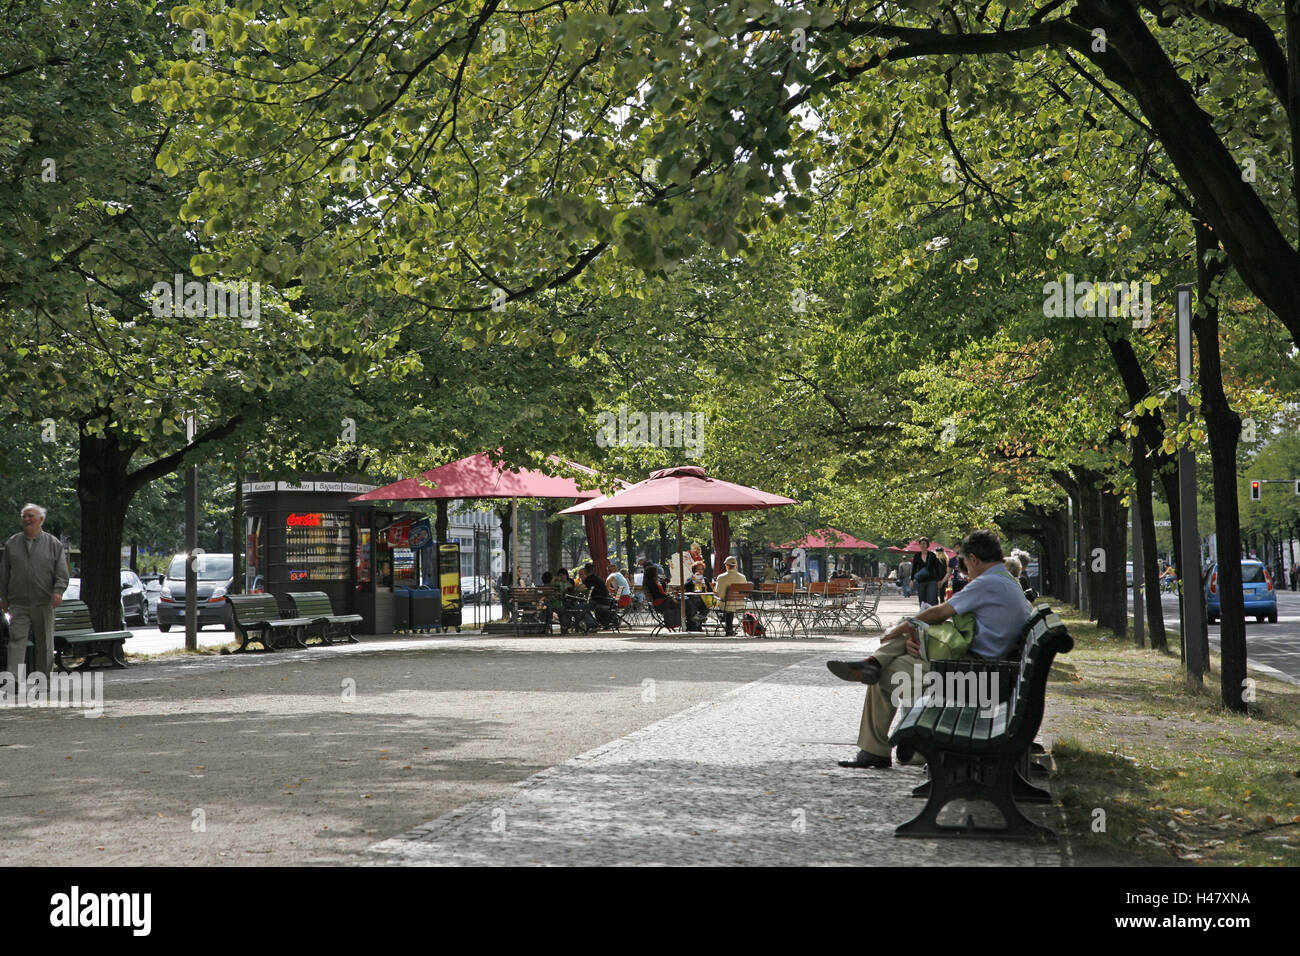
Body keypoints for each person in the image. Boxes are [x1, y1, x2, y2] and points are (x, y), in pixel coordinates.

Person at [826, 530, 1031, 769]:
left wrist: (901, 628)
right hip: (991, 672)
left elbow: (940, 612)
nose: (967, 571)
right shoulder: (1007, 581)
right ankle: (875, 665)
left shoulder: (987, 582)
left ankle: (876, 746)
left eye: (966, 564)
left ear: (973, 559)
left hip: (970, 676)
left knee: (884, 671)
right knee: (909, 636)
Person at [0, 504, 70, 678]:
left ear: (41, 519)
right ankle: (14, 680)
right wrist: (4, 597)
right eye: (24, 516)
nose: (26, 519)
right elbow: (5, 572)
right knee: (16, 642)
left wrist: (58, 591)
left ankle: (43, 680)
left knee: (45, 643)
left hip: (43, 601)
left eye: (30, 516)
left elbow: (62, 572)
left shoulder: (53, 544)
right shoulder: (12, 543)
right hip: (18, 603)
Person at [713, 556, 748, 636]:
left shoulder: (721, 577)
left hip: (725, 604)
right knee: (729, 607)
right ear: (736, 566)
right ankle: (729, 629)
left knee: (719, 605)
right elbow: (745, 591)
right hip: (739, 604)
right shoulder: (742, 577)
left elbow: (717, 591)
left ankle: (728, 628)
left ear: (726, 565)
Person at [910, 538, 945, 608]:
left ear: (927, 545)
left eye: (924, 543)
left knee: (931, 600)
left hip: (931, 581)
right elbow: (914, 568)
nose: (922, 545)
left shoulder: (932, 555)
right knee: (922, 601)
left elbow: (937, 568)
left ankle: (931, 614)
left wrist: (939, 580)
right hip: (921, 581)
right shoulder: (917, 556)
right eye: (921, 544)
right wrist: (912, 580)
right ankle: (923, 613)